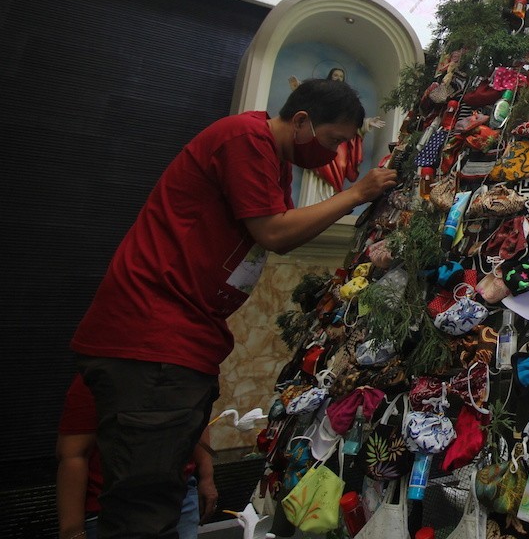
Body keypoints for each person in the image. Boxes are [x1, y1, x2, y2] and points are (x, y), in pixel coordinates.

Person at [71, 79, 398, 539]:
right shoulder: (245, 139)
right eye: (333, 142)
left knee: (160, 492)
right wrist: (357, 193)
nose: (336, 156)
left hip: (183, 337)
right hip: (153, 337)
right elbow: (275, 232)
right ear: (301, 121)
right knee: (143, 507)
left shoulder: (276, 161)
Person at [57, 374, 216, 539]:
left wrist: (206, 474)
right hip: (116, 504)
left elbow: (198, 417)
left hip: (179, 496)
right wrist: (73, 530)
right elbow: (74, 453)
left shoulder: (181, 369)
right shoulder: (101, 375)